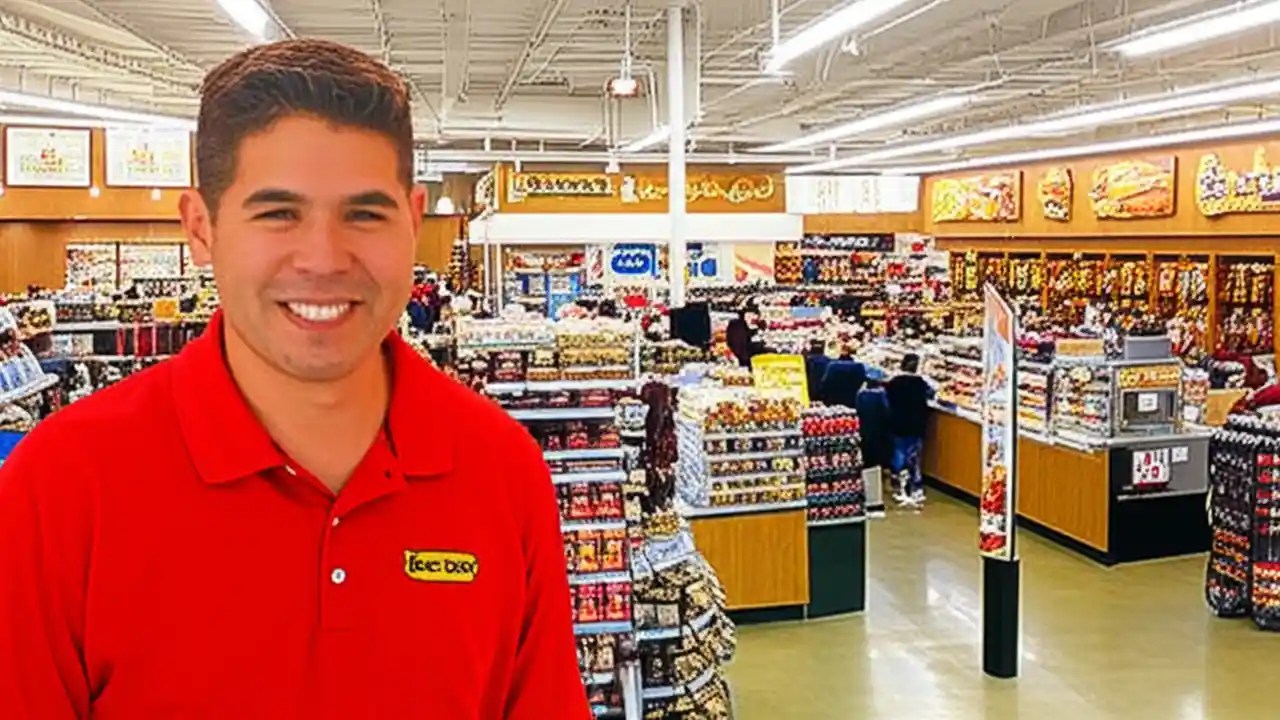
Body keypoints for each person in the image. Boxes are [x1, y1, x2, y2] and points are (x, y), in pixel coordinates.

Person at [0, 40, 588, 719]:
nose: (322, 258)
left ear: (413, 220)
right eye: (277, 213)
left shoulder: (502, 470)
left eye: (365, 214)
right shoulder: (61, 488)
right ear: (201, 227)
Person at [885, 353, 935, 508]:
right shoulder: (921, 383)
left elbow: (887, 400)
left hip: (898, 424)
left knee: (899, 454)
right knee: (914, 456)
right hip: (916, 425)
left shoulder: (894, 383)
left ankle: (899, 484)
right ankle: (915, 486)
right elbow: (932, 395)